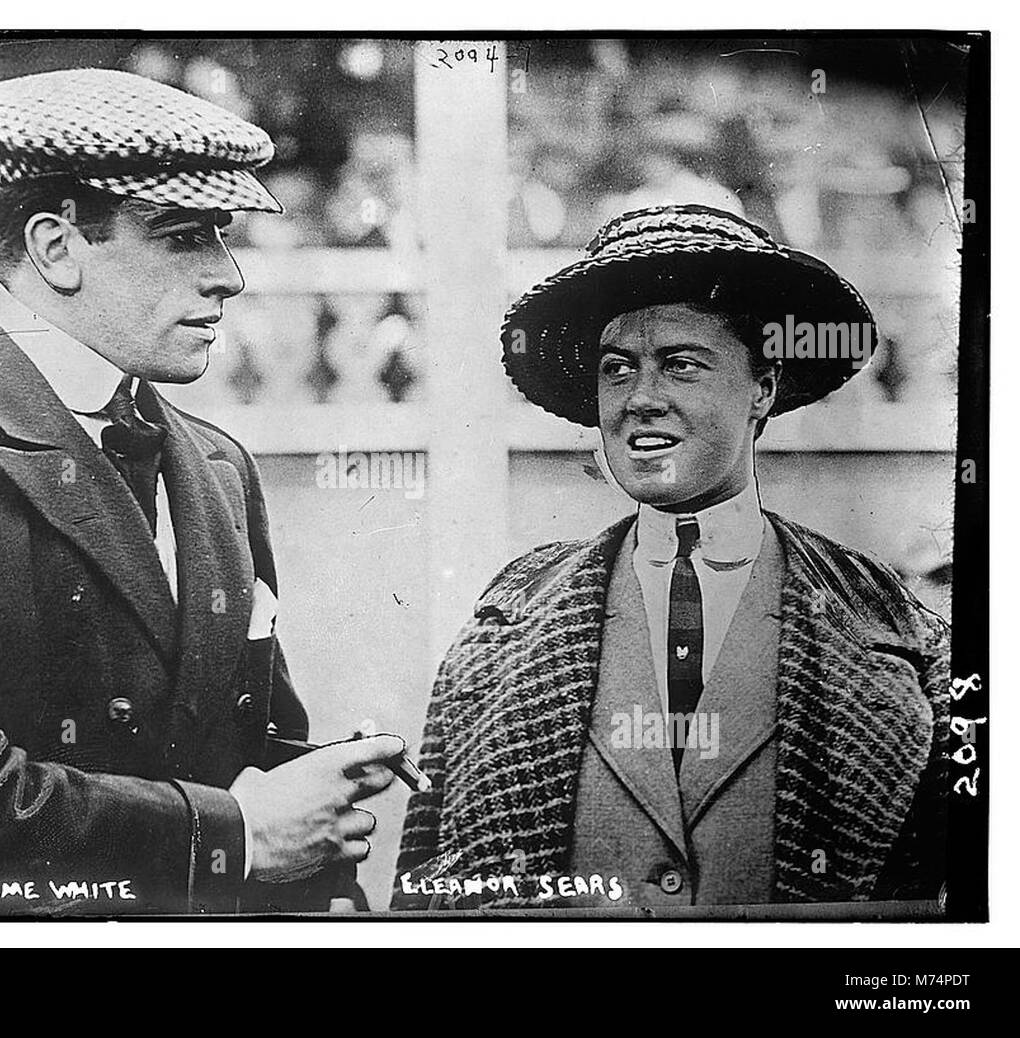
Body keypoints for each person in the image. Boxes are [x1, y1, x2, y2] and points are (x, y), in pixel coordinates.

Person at [0, 67, 404, 916]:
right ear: (55, 247)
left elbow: (246, 748)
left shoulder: (215, 465)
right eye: (185, 236)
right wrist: (235, 837)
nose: (229, 276)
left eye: (221, 236)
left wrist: (316, 800)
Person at [392, 204, 951, 910]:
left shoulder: (895, 635)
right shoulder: (501, 636)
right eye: (617, 369)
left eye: (681, 365)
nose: (642, 398)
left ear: (762, 389)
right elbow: (426, 896)